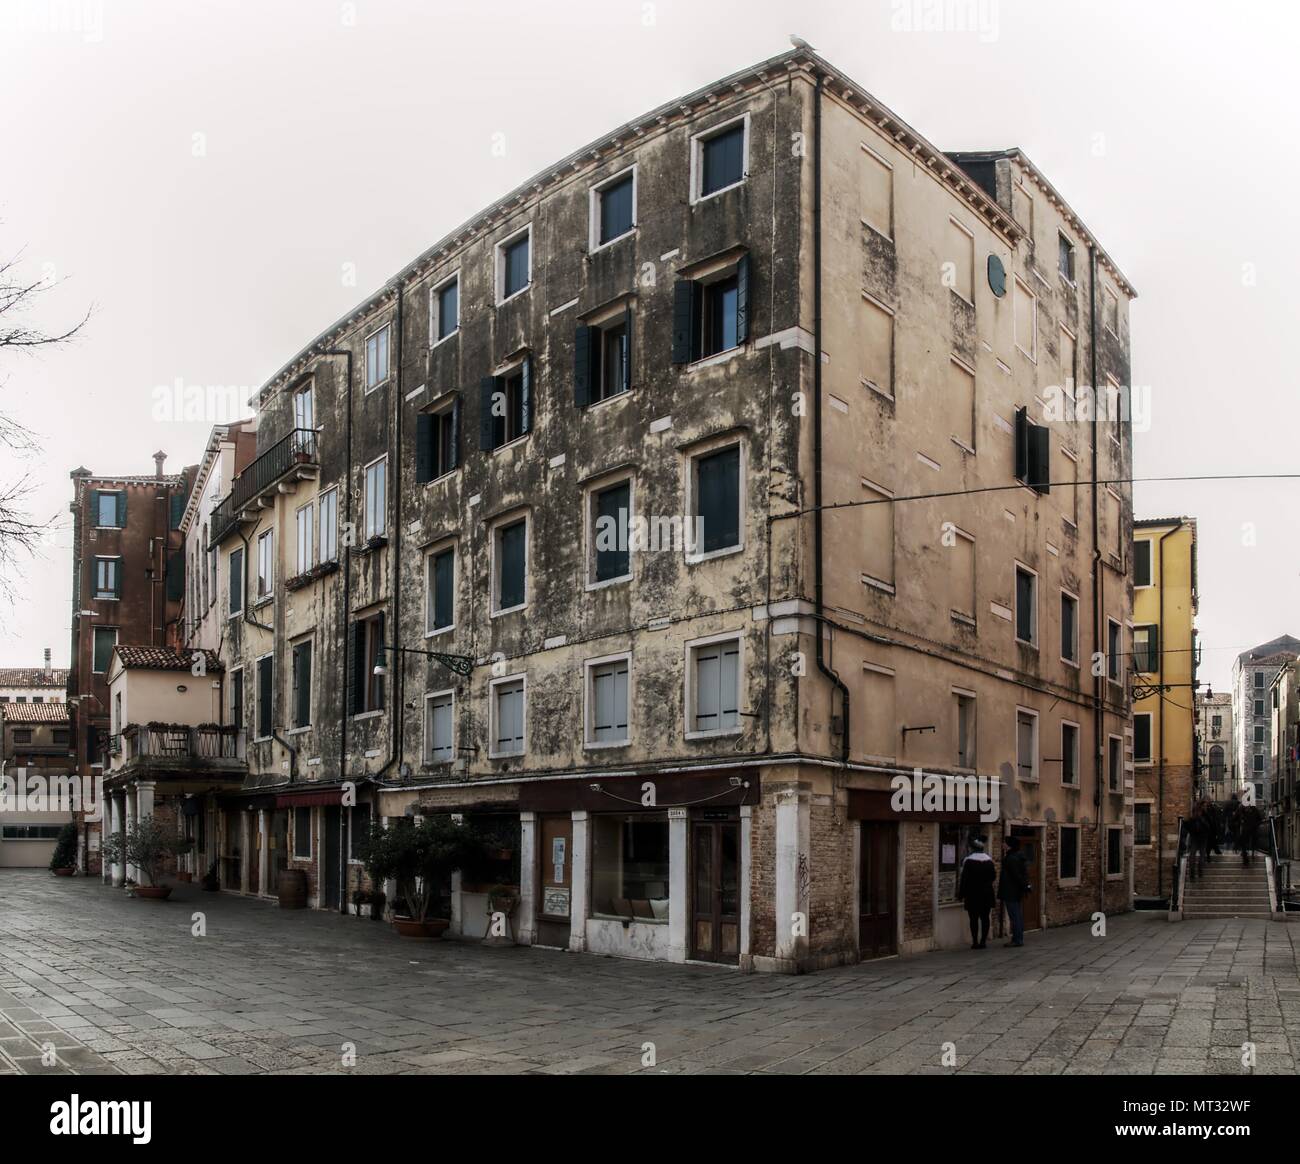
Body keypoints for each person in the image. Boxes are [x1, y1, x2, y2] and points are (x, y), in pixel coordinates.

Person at [957, 837, 996, 949]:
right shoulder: (989, 861)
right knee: (985, 918)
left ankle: (975, 941)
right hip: (986, 893)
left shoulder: (968, 861)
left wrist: (961, 895)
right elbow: (993, 876)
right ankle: (983, 941)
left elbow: (964, 880)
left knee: (973, 918)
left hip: (972, 893)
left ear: (972, 849)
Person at [998, 835, 1031, 947]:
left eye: (1004, 843)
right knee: (1017, 915)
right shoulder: (1016, 856)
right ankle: (1017, 938)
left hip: (1011, 891)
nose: (1002, 844)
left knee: (1015, 916)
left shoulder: (1012, 858)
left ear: (1009, 845)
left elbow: (1016, 876)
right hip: (1014, 891)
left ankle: (1017, 939)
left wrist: (1023, 886)